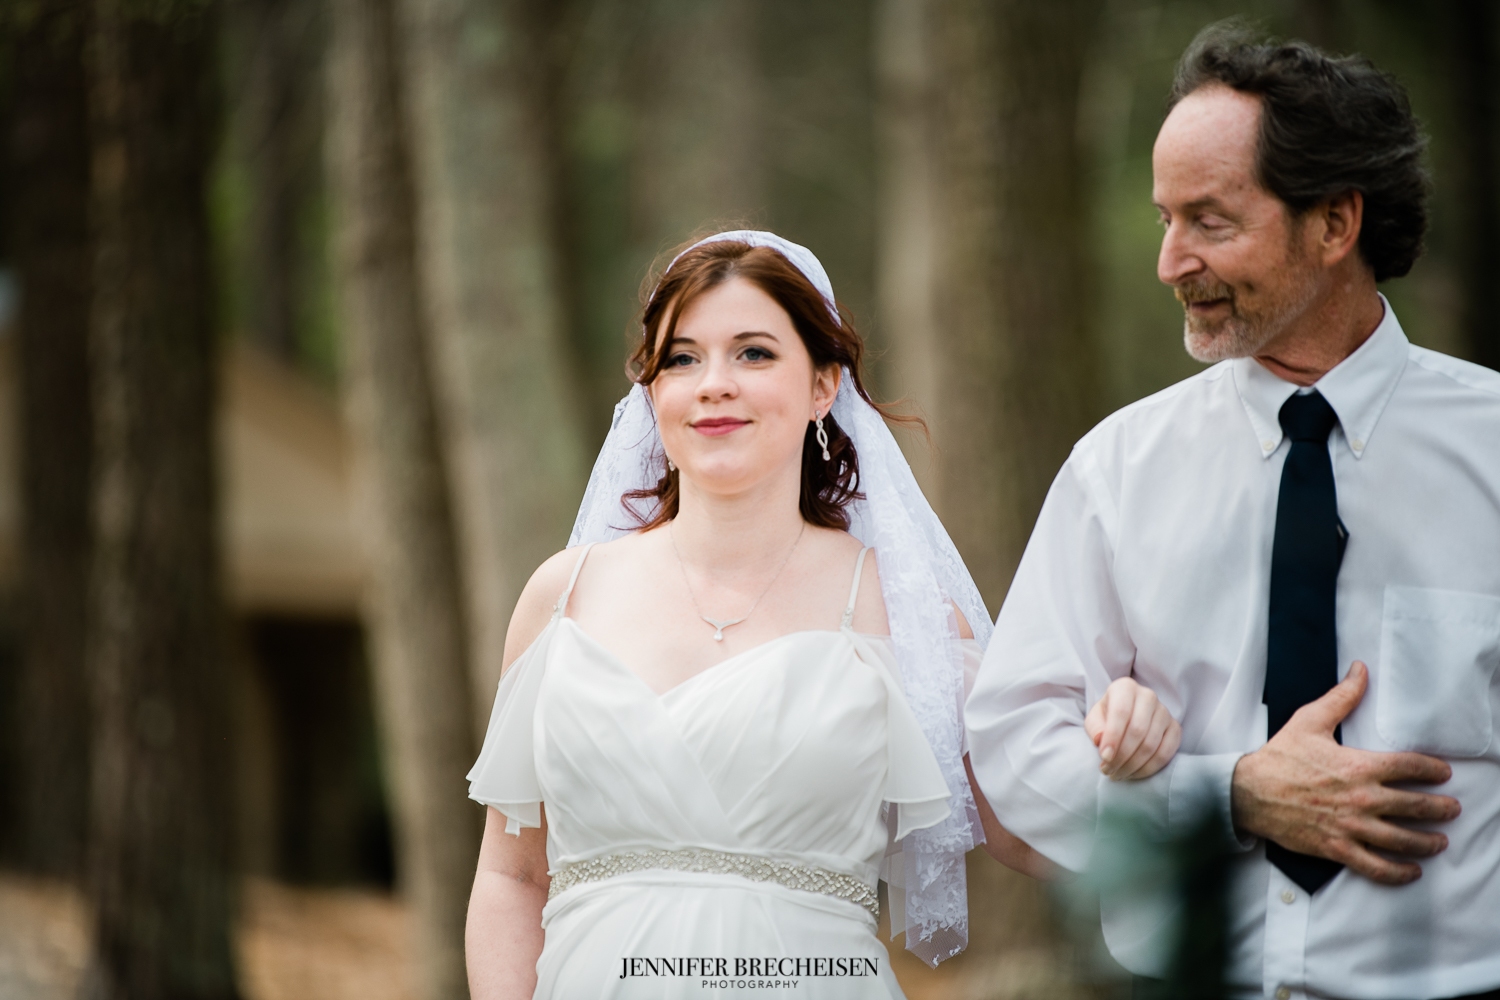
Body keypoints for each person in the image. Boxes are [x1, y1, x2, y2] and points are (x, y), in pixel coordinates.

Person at [462, 231, 1179, 999]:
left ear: (823, 386)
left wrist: (1127, 751)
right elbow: (510, 875)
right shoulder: (563, 596)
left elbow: (1035, 832)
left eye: (754, 353)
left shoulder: (902, 613)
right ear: (652, 393)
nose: (713, 384)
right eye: (682, 358)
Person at [966, 23, 1500, 1000]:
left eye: (1209, 221)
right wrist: (1231, 795)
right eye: (1164, 219)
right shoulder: (1117, 470)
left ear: (1335, 224)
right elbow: (1012, 757)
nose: (1170, 261)